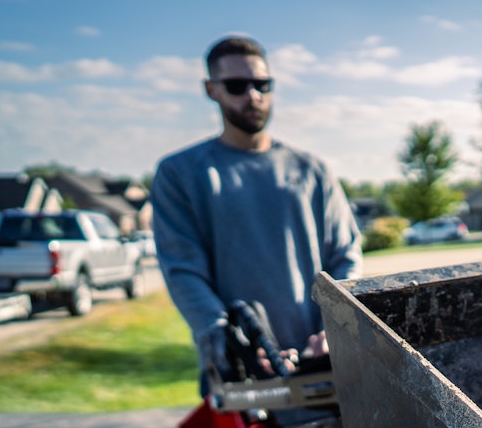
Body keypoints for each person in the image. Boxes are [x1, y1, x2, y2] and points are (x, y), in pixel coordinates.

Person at [150, 34, 363, 391]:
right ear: (211, 90)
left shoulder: (312, 170)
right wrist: (233, 341)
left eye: (262, 84)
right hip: (242, 380)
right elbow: (183, 272)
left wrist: (334, 328)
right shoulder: (180, 174)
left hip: (326, 370)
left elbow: (346, 256)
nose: (253, 95)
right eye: (236, 85)